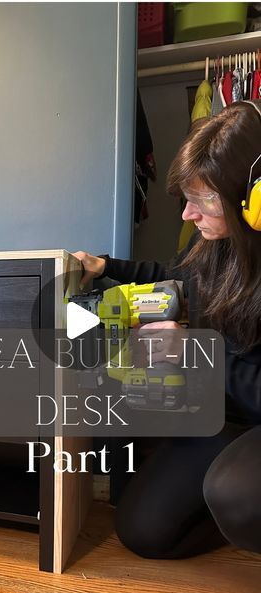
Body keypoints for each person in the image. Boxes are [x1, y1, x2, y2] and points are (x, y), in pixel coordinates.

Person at [73, 100, 261, 559]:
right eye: (188, 200)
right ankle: (227, 518)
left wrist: (198, 351)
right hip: (222, 419)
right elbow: (173, 274)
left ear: (253, 198)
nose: (187, 216)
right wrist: (105, 266)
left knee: (235, 491)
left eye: (203, 201)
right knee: (143, 532)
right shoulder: (215, 240)